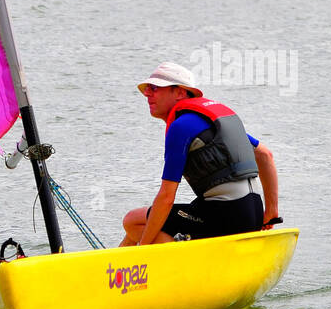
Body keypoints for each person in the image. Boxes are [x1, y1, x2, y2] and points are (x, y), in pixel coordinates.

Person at [119, 61, 280, 247]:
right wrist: (271, 211)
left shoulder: (181, 127)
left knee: (133, 221)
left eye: (155, 88)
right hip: (252, 212)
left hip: (227, 216)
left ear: (180, 92)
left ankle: (159, 264)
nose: (147, 93)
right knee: (147, 222)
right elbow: (265, 155)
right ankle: (113, 270)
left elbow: (166, 198)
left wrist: (143, 249)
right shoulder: (207, 120)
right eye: (147, 88)